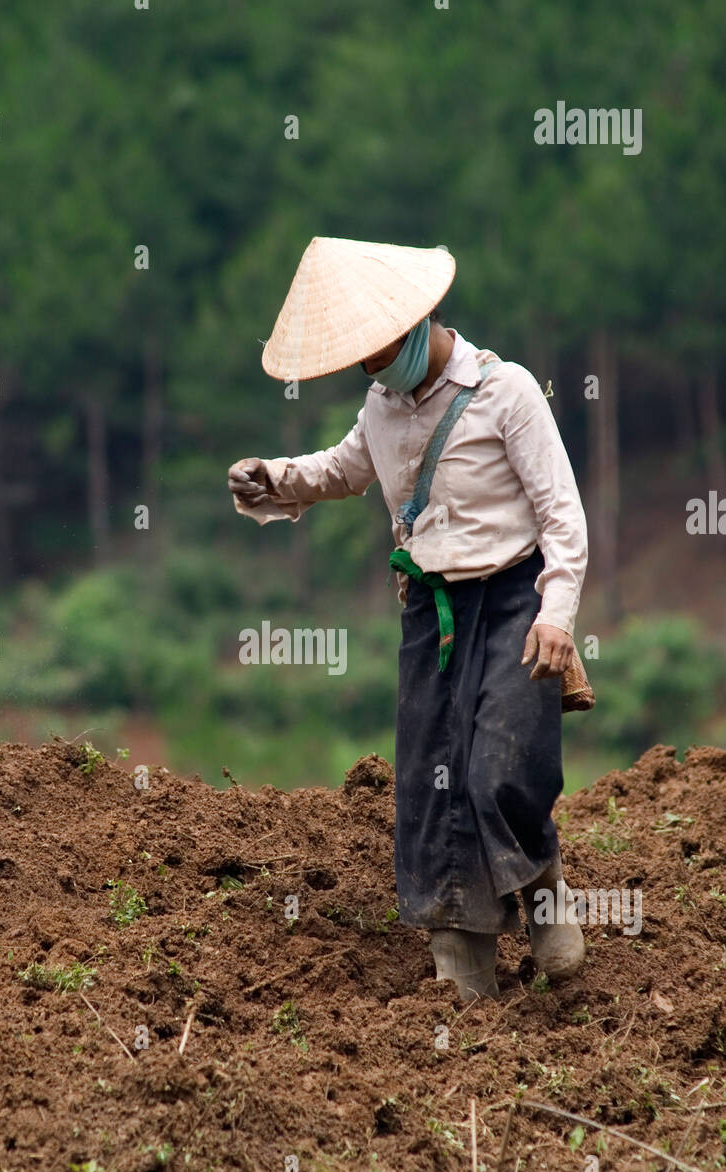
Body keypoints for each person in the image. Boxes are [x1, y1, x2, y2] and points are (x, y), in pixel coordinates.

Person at [229, 237, 588, 1000]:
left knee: (502, 768)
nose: (371, 367)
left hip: (516, 601)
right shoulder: (381, 407)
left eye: (378, 350)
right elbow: (345, 468)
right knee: (433, 787)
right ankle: (461, 954)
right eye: (359, 359)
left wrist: (557, 615)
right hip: (432, 610)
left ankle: (544, 886)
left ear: (418, 321)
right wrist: (273, 478)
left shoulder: (508, 391)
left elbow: (562, 514)